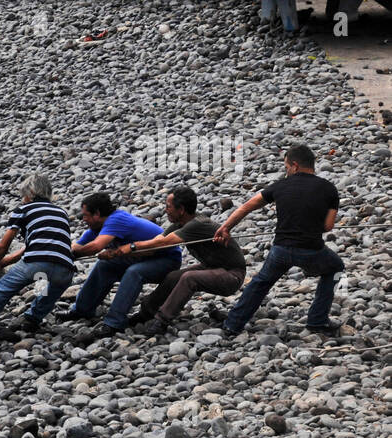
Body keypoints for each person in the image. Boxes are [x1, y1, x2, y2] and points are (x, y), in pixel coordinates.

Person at [216, 145, 344, 338]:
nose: (286, 171)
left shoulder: (280, 186)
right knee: (335, 268)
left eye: (286, 167)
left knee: (260, 282)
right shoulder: (329, 189)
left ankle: (232, 325)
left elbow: (245, 208)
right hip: (312, 250)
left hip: (281, 251)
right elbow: (328, 226)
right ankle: (317, 320)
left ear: (294, 165)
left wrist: (225, 228)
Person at [0, 173, 75, 344]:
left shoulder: (23, 210)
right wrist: (3, 263)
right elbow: (39, 245)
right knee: (47, 289)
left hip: (36, 263)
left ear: (30, 194)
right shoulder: (60, 212)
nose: (22, 199)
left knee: (3, 289)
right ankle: (32, 320)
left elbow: (1, 248)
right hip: (65, 268)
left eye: (23, 196)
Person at [124, 187, 247, 336]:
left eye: (168, 207)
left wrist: (131, 247)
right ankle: (146, 313)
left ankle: (162, 320)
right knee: (173, 277)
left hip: (232, 275)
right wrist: (120, 252)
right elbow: (156, 242)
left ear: (181, 209)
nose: (165, 210)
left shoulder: (197, 224)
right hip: (211, 267)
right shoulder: (180, 225)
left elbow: (161, 244)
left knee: (189, 278)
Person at [65, 192, 181, 342]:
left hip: (167, 259)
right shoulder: (97, 226)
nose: (83, 219)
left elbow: (95, 246)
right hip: (142, 257)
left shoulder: (116, 219)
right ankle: (82, 310)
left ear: (97, 214)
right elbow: (78, 246)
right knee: (104, 265)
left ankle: (114, 322)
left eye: (86, 215)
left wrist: (73, 252)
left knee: (134, 272)